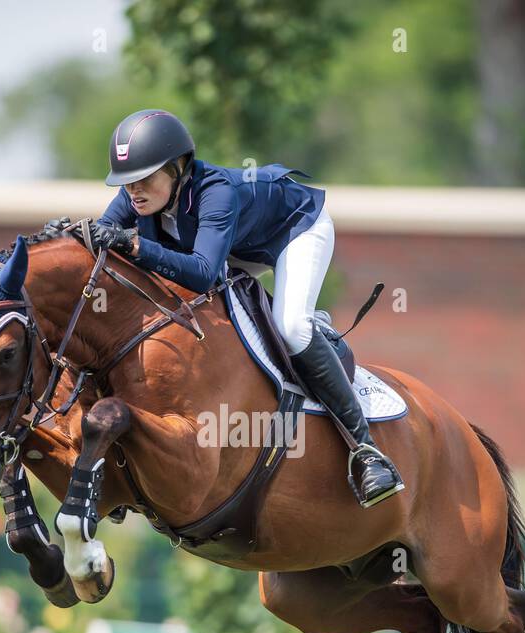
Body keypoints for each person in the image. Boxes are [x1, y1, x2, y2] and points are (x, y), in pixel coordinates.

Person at [89, 108, 402, 508]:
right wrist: (71, 235)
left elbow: (202, 273)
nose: (134, 191)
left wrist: (133, 245)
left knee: (291, 329)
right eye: (128, 182)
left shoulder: (215, 191)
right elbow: (103, 240)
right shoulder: (137, 197)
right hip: (235, 246)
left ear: (177, 168)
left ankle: (366, 451)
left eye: (145, 179)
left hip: (294, 229)